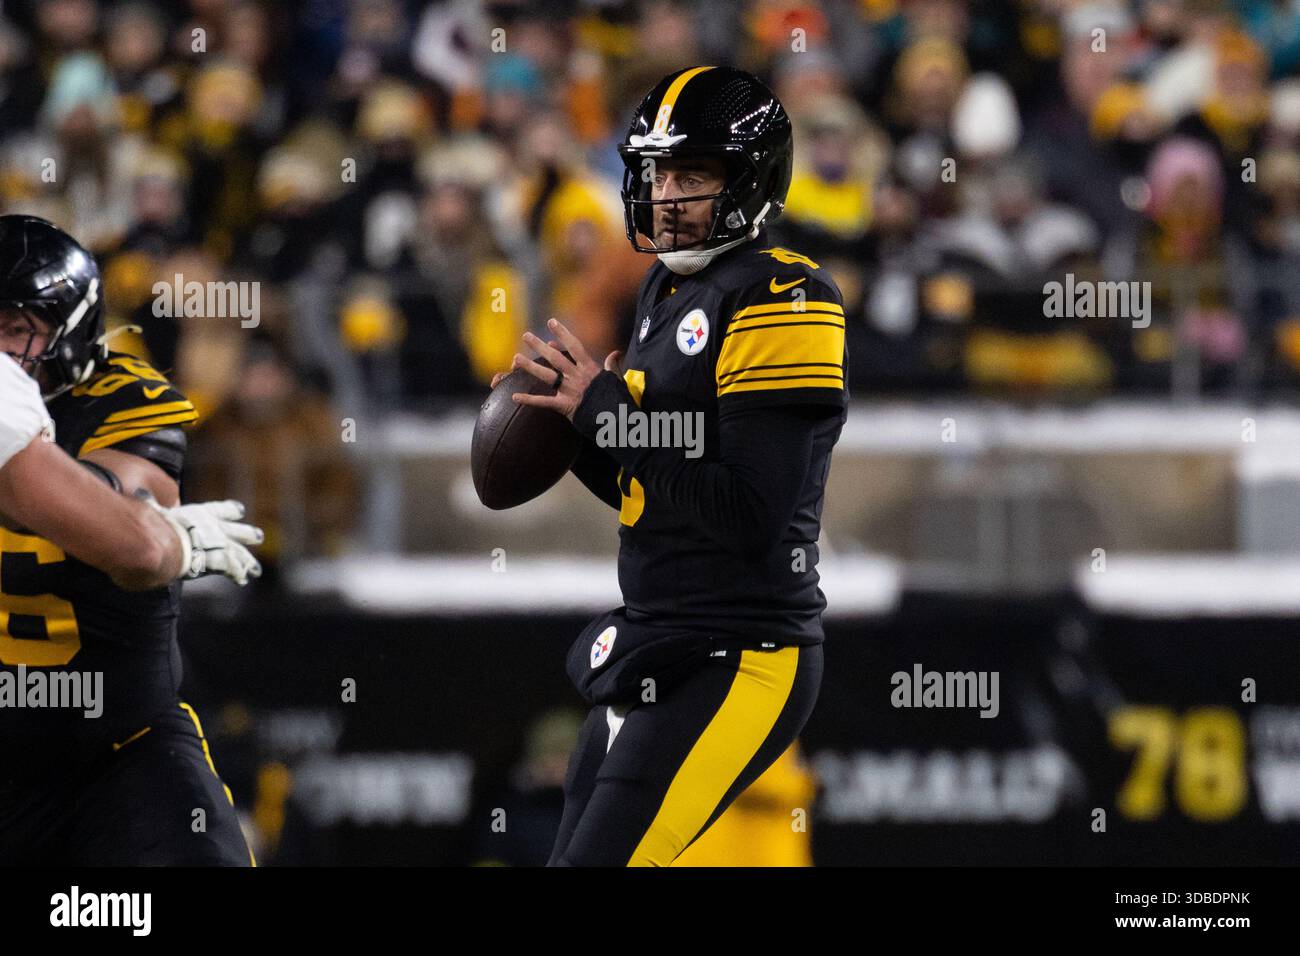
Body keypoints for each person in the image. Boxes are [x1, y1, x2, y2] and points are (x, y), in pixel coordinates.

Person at [496, 67, 848, 866]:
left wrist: (606, 414)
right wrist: (569, 426)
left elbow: (749, 510)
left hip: (739, 655)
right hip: (657, 641)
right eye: (658, 174)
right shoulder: (663, 287)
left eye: (692, 175)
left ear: (751, 179)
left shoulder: (783, 297)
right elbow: (652, 490)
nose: (666, 195)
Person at [0, 215, 260, 865]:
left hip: (118, 747)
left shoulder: (127, 395)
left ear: (72, 328)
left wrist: (24, 464)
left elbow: (123, 514)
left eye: (12, 327)